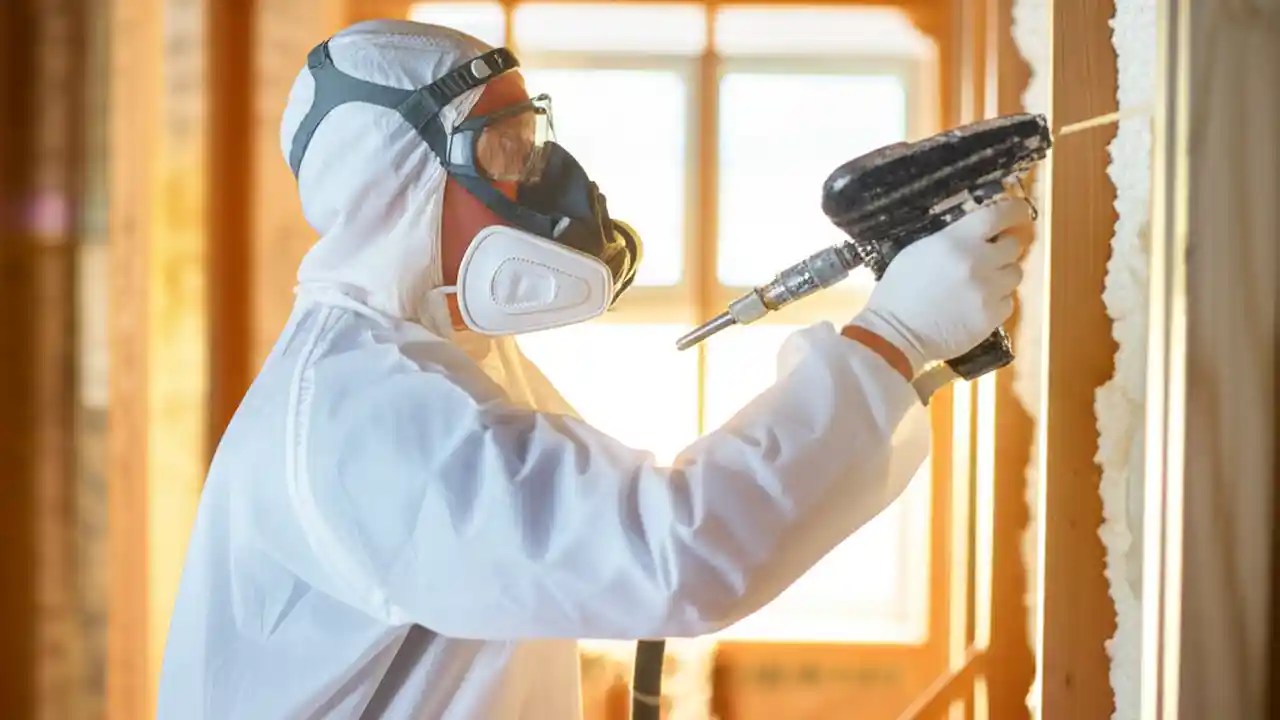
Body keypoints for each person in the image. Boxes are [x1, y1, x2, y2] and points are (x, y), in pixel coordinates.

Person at [156, 19, 1030, 719]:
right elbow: (672, 554)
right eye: (505, 155)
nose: (542, 185)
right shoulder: (359, 416)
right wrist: (893, 336)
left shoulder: (444, 353)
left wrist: (903, 352)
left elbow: (621, 530)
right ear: (404, 188)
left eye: (533, 147)